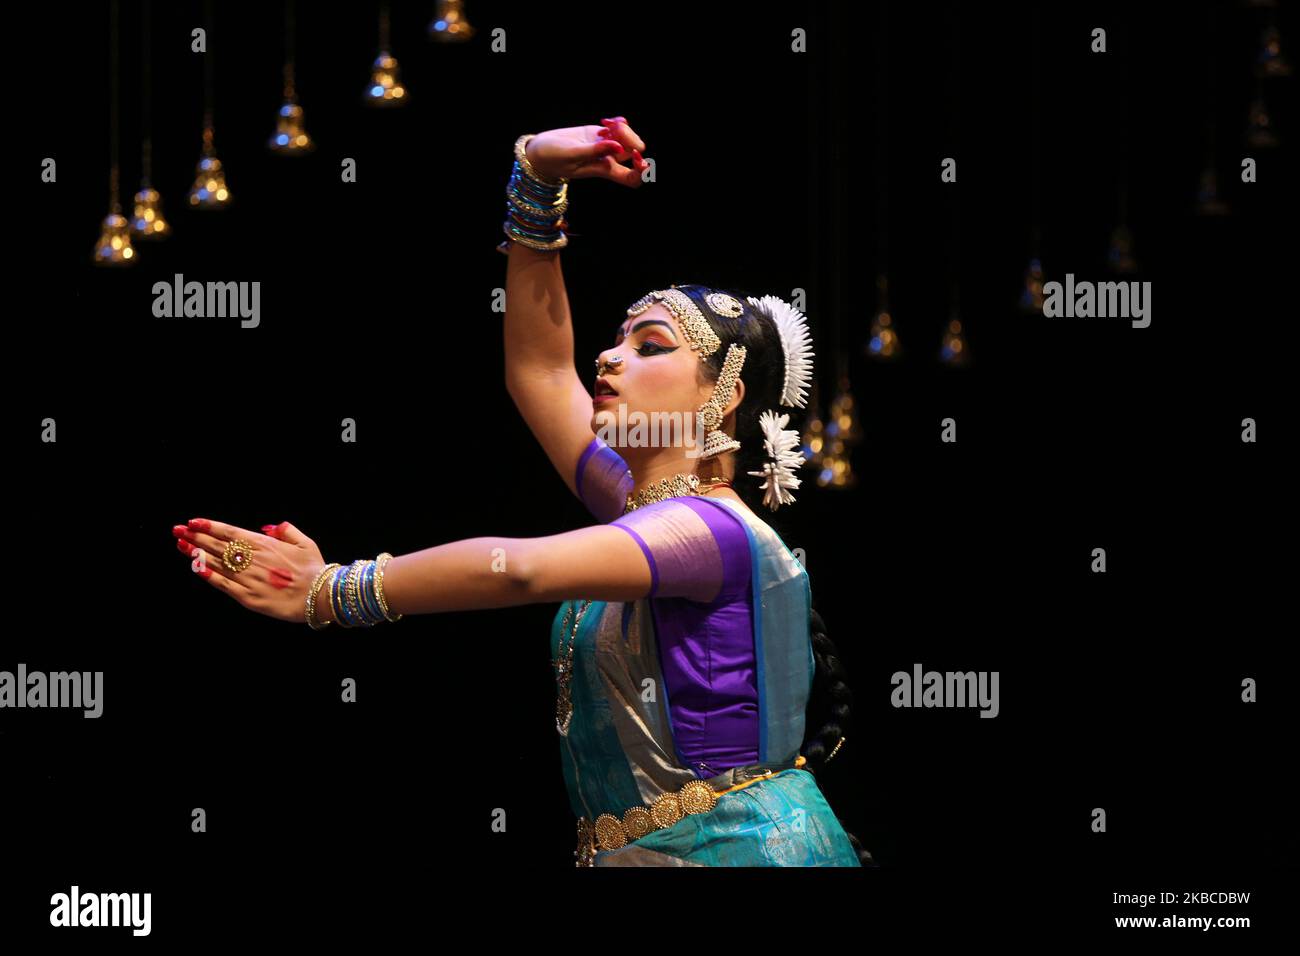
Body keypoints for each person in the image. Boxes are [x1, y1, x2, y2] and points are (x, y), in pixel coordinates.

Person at [171, 118, 871, 866]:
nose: (610, 355)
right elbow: (539, 371)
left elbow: (520, 567)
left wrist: (333, 591)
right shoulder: (642, 508)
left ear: (725, 393)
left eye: (650, 345)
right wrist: (537, 183)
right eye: (619, 337)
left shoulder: (709, 534)